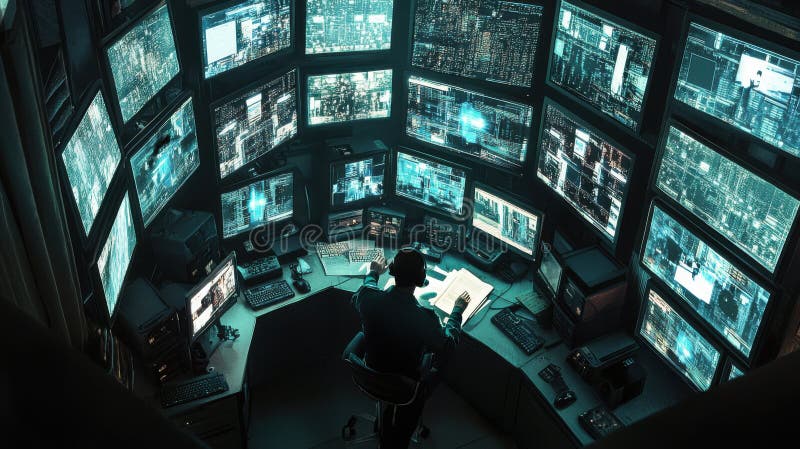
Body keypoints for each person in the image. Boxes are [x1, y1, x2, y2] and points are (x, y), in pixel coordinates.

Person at [351, 248, 470, 449]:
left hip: (369, 372)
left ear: (392, 271)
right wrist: (457, 312)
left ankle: (389, 417)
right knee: (442, 359)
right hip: (403, 384)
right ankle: (404, 426)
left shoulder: (368, 297)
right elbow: (447, 344)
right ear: (421, 279)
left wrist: (372, 273)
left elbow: (363, 293)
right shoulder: (425, 318)